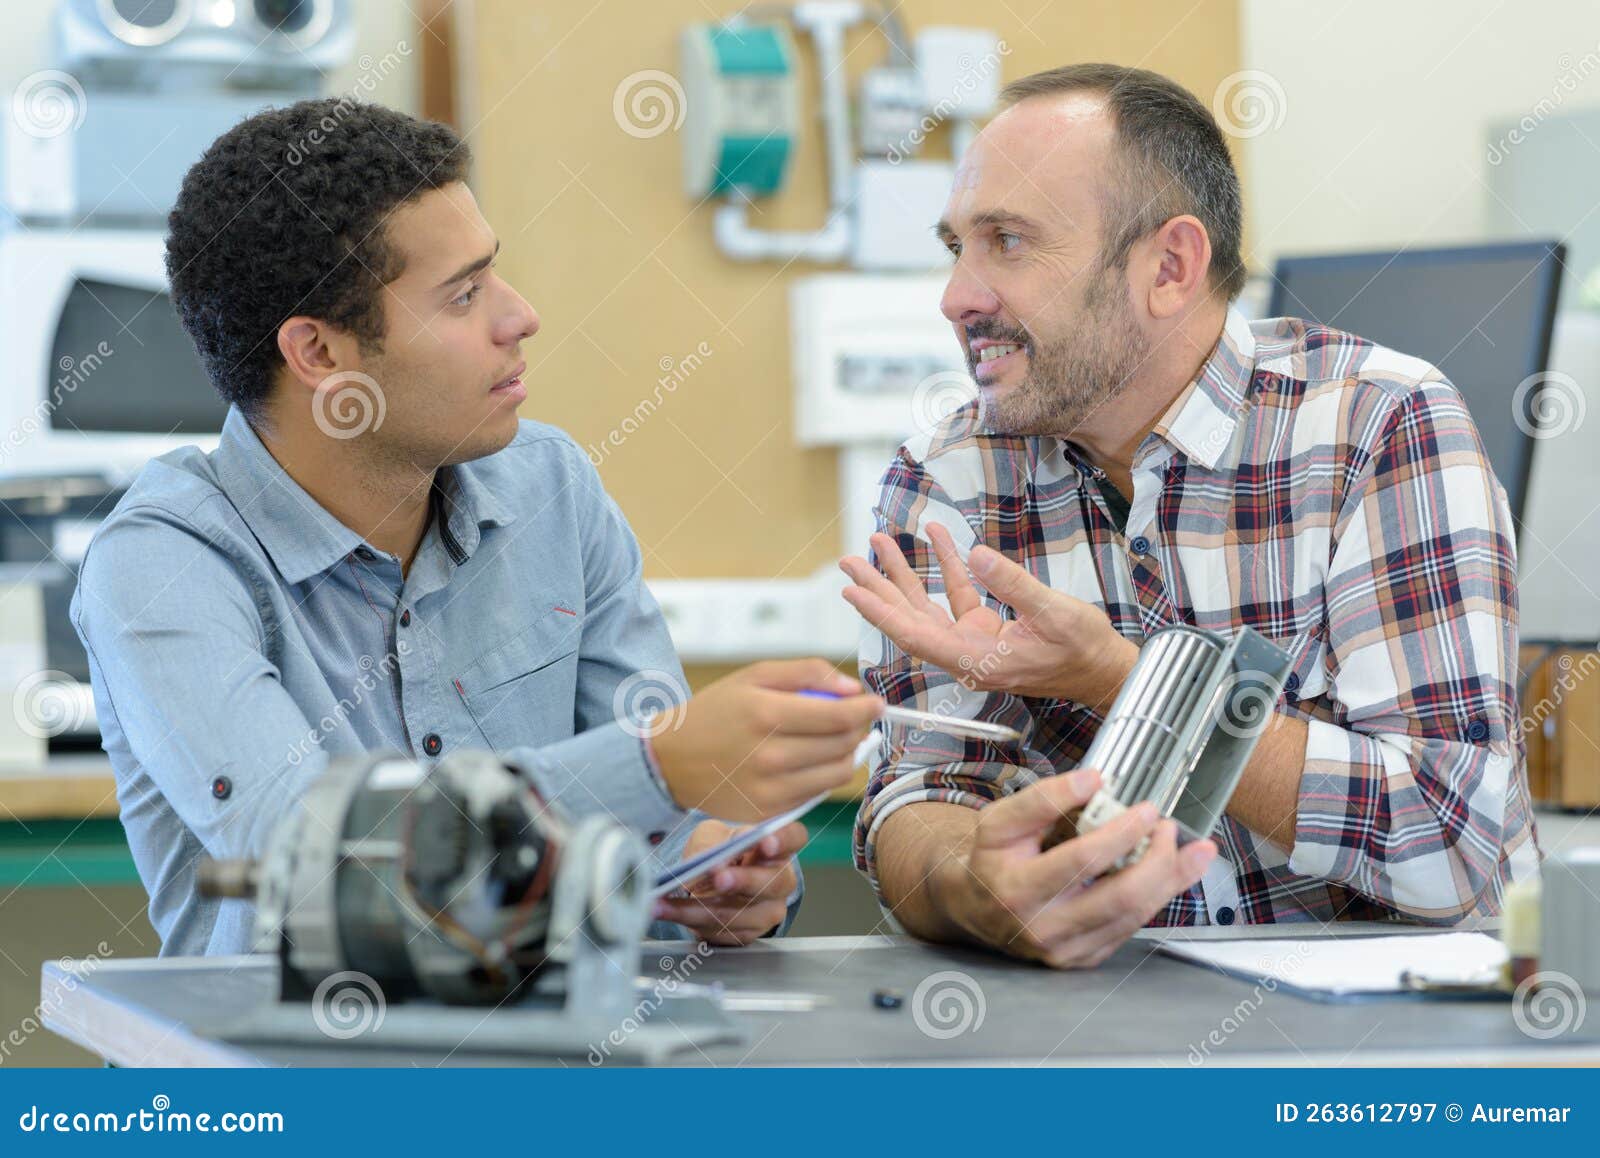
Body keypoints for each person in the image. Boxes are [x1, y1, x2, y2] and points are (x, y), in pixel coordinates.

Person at [71, 99, 881, 957]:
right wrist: (657, 770)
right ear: (318, 354)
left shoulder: (550, 487)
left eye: (494, 275)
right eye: (463, 295)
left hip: (557, 1062)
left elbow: (655, 835)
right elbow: (303, 854)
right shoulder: (160, 562)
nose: (519, 316)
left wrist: (715, 878)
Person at [839, 63, 1537, 968]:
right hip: (1098, 1039)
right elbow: (918, 790)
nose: (958, 297)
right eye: (957, 248)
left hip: (1396, 1044)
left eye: (1007, 241)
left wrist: (1125, 684)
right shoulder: (948, 475)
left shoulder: (1378, 423)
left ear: (1169, 266)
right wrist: (973, 886)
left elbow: (1451, 844)